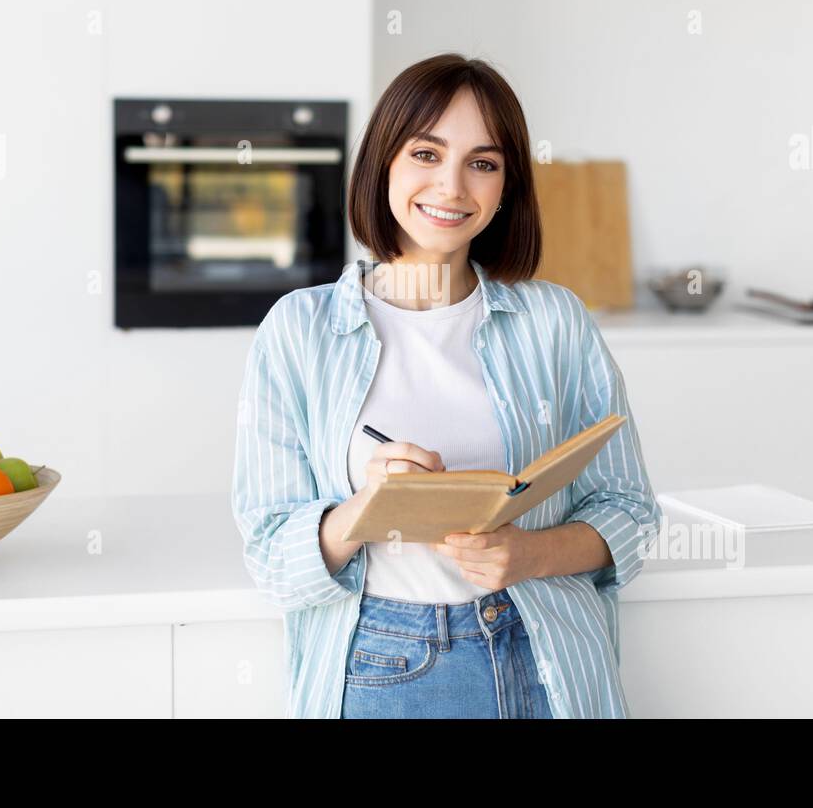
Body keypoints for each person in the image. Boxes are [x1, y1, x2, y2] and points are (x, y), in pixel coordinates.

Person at [231, 53, 662, 718]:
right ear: (384, 164)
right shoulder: (299, 330)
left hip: (547, 660)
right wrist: (366, 508)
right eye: (427, 153)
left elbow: (630, 511)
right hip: (383, 666)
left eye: (483, 163)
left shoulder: (555, 321)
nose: (452, 186)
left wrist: (531, 554)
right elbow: (270, 557)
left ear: (505, 186)